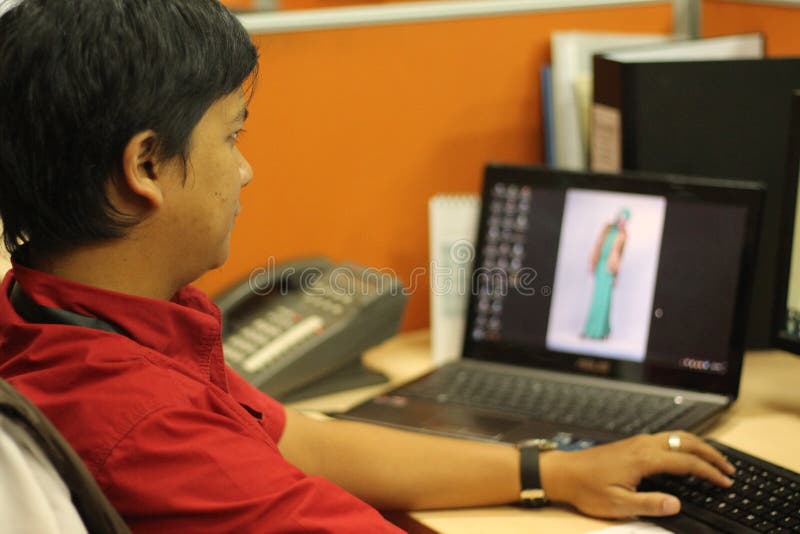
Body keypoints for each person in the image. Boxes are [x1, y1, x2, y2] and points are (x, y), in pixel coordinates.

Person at [0, 1, 735, 531]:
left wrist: (553, 472)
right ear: (147, 164)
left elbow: (300, 440)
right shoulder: (153, 432)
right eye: (231, 136)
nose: (246, 170)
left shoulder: (48, 313)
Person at [584, 209, 630, 340]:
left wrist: (616, 275)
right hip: (600, 266)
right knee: (596, 300)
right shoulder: (607, 228)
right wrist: (593, 262)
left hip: (610, 269)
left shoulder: (623, 235)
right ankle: (590, 330)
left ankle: (601, 332)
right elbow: (598, 244)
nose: (622, 221)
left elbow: (620, 255)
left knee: (605, 301)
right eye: (621, 218)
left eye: (625, 219)